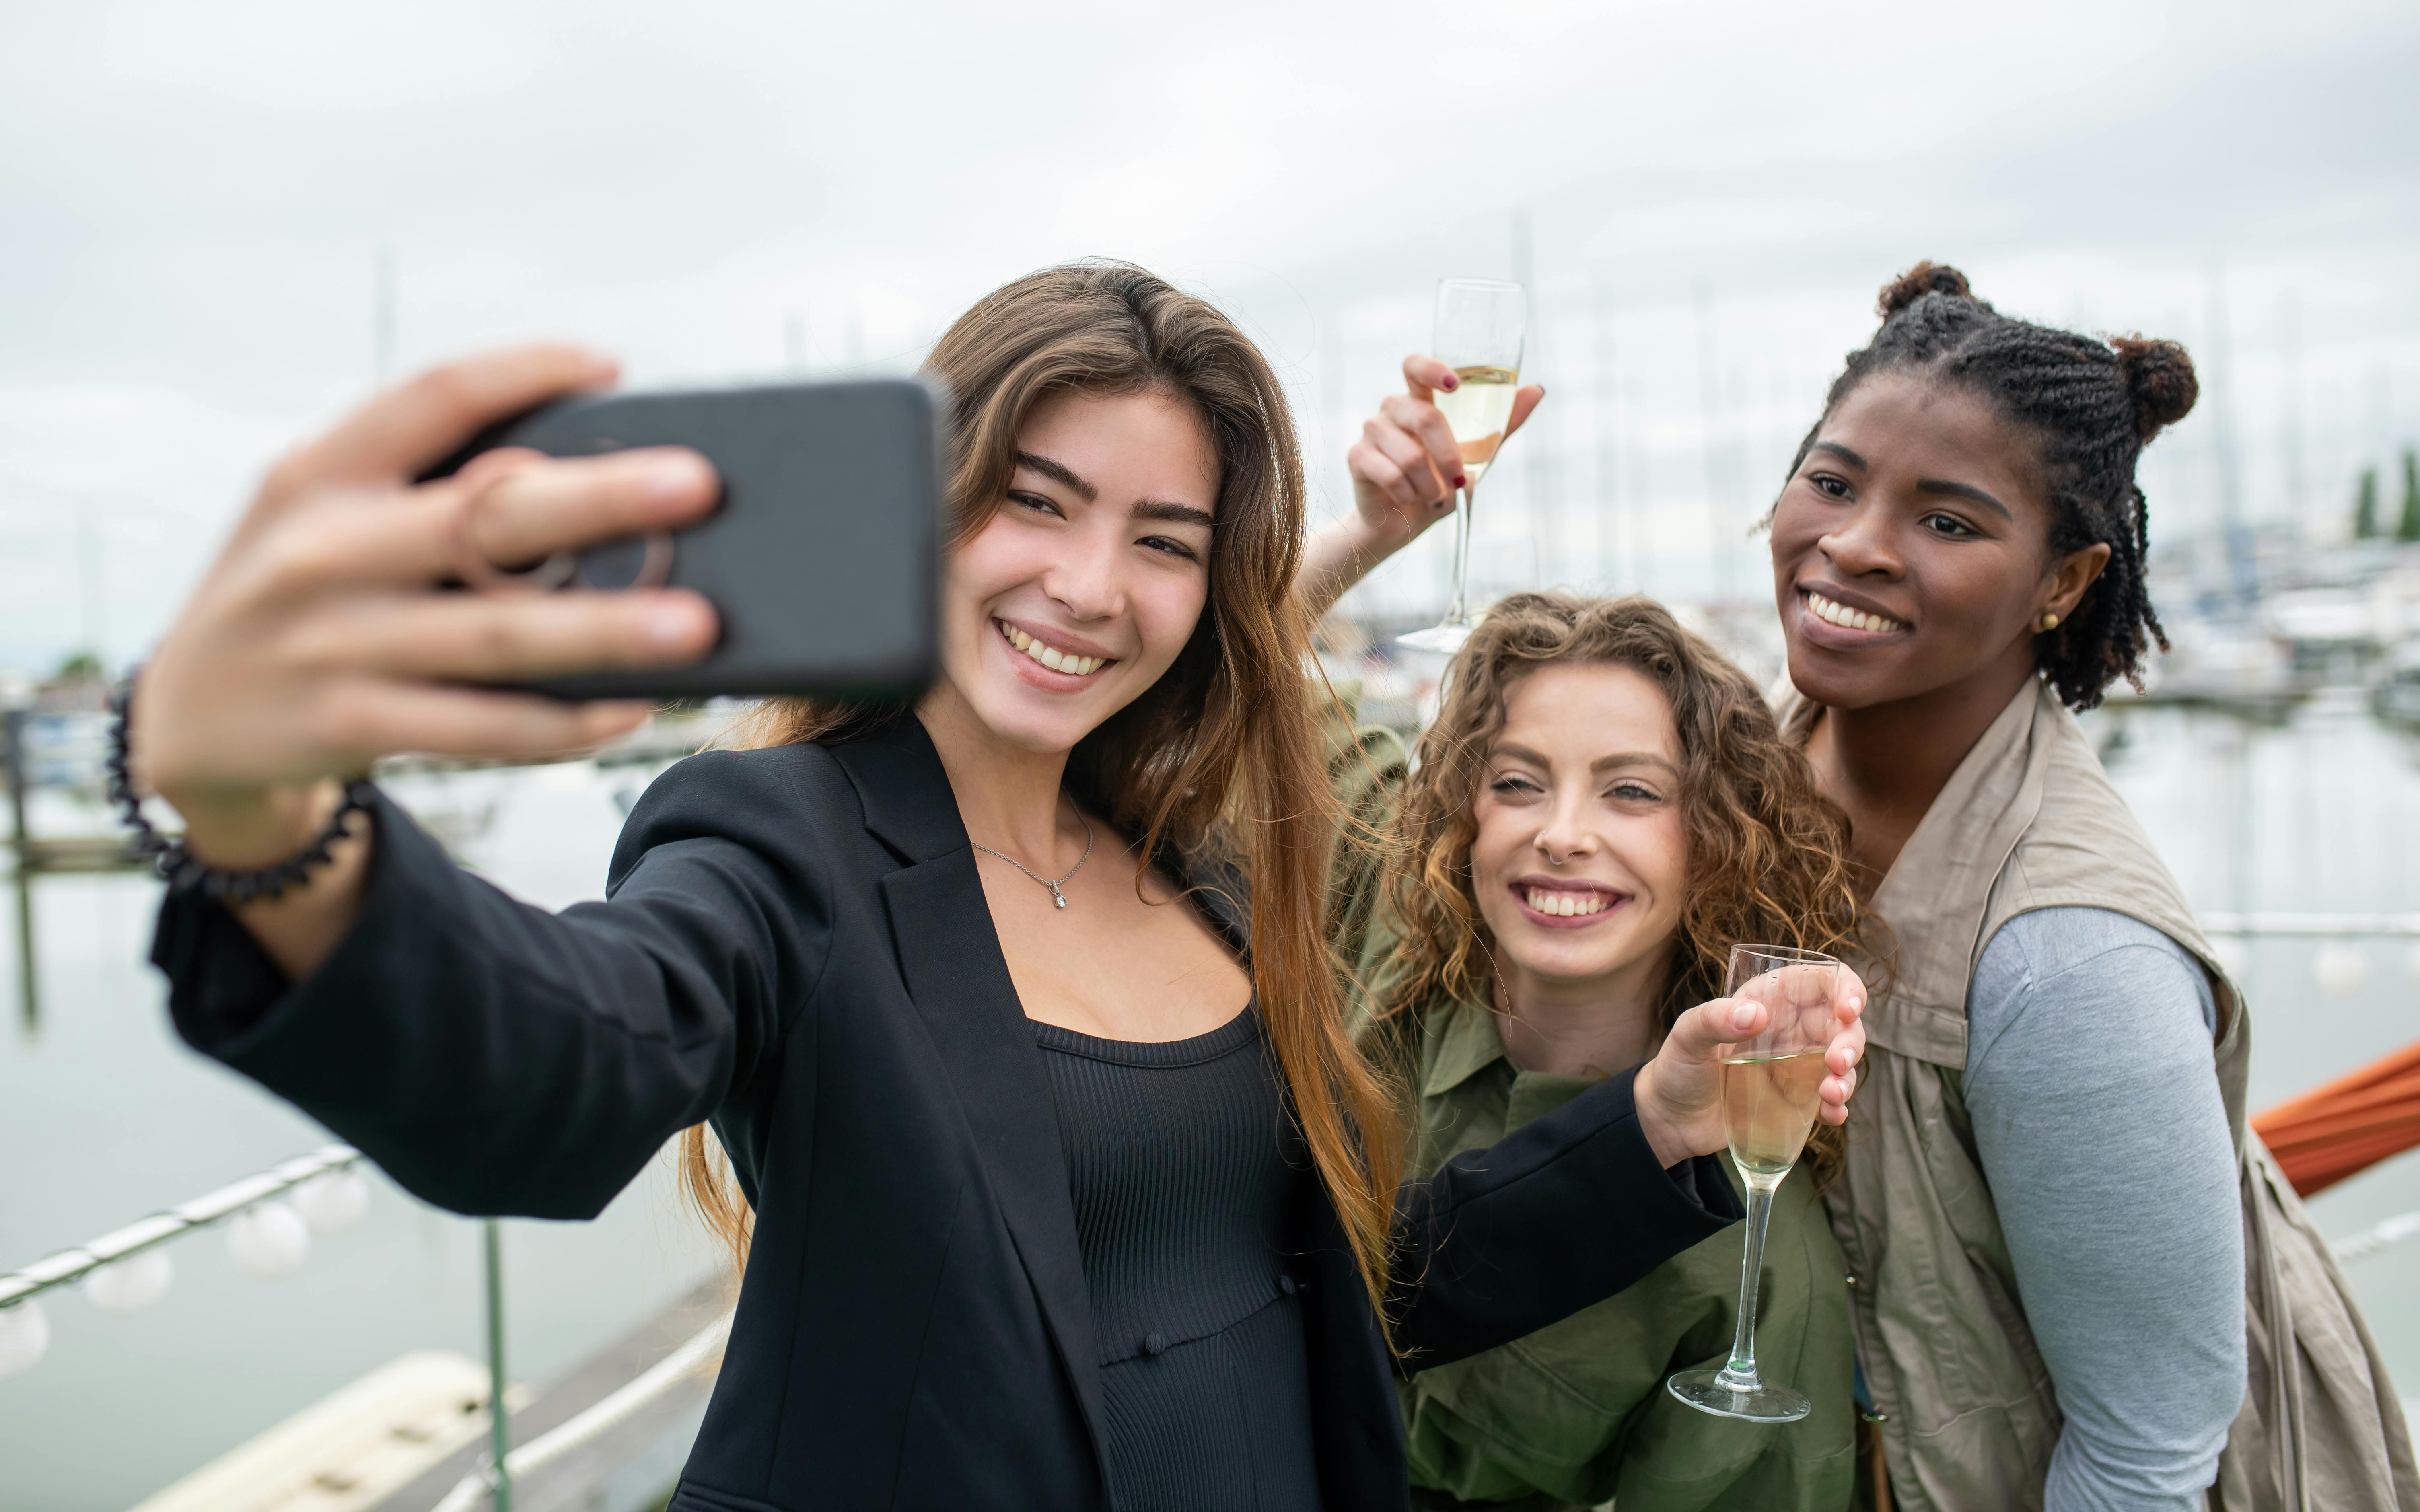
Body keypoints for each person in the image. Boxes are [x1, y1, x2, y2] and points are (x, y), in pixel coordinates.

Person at [129, 263, 1871, 1512]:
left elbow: (1344, 1281)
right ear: (928, 507)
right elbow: (545, 1072)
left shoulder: (1198, 866)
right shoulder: (779, 841)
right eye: (1034, 502)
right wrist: (258, 805)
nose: (1089, 583)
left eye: (1164, 539)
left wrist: (1654, 1120)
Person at [1761, 263, 2413, 1512]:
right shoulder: (1757, 766)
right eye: (1833, 481)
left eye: (1947, 522)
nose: (1853, 543)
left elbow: (2148, 1447)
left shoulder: (2070, 961)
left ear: (2064, 584)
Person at [1345, 592, 1874, 1512]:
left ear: (1715, 841)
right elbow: (1237, 676)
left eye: (1630, 791)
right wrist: (1373, 527)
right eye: (1515, 781)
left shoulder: (1751, 1258)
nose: (1560, 834)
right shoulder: (1384, 950)